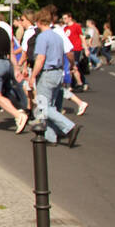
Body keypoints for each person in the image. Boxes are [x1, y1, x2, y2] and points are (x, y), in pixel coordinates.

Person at [30, 8, 81, 146]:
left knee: (42, 107)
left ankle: (69, 127)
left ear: (40, 21)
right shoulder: (57, 36)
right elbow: (65, 54)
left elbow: (40, 59)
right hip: (58, 72)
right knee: (50, 106)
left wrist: (32, 76)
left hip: (47, 73)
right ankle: (50, 137)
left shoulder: (42, 37)